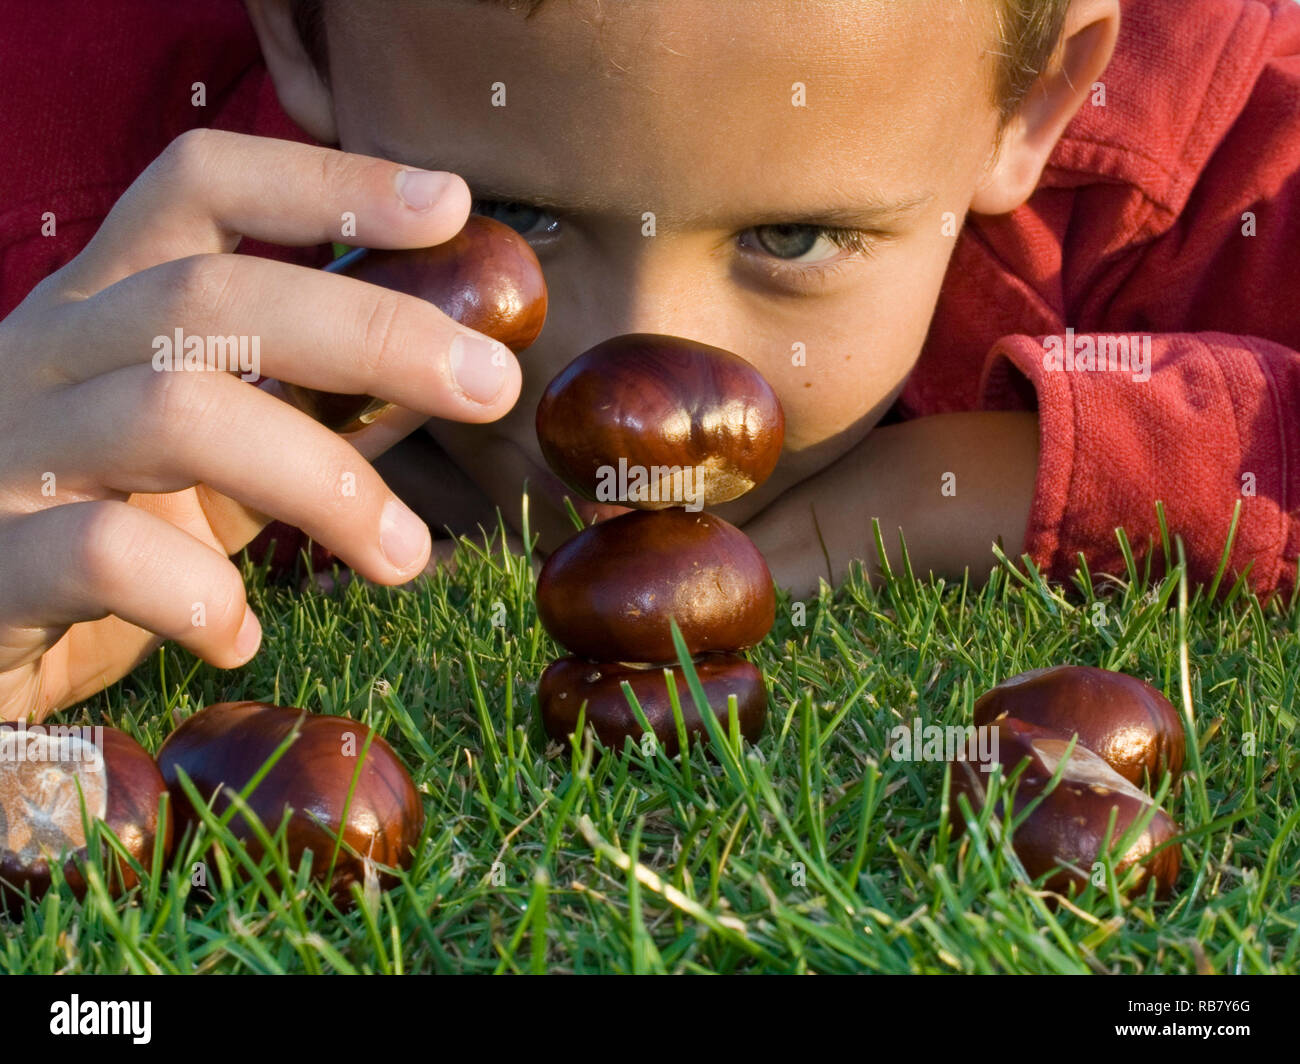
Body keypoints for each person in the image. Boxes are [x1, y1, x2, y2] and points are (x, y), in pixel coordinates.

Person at [2, 0, 1297, 723]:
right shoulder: (68, 187)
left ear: (1034, 99)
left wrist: (998, 469)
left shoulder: (1188, 139)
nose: (626, 387)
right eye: (517, 218)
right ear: (301, 32)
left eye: (795, 236)